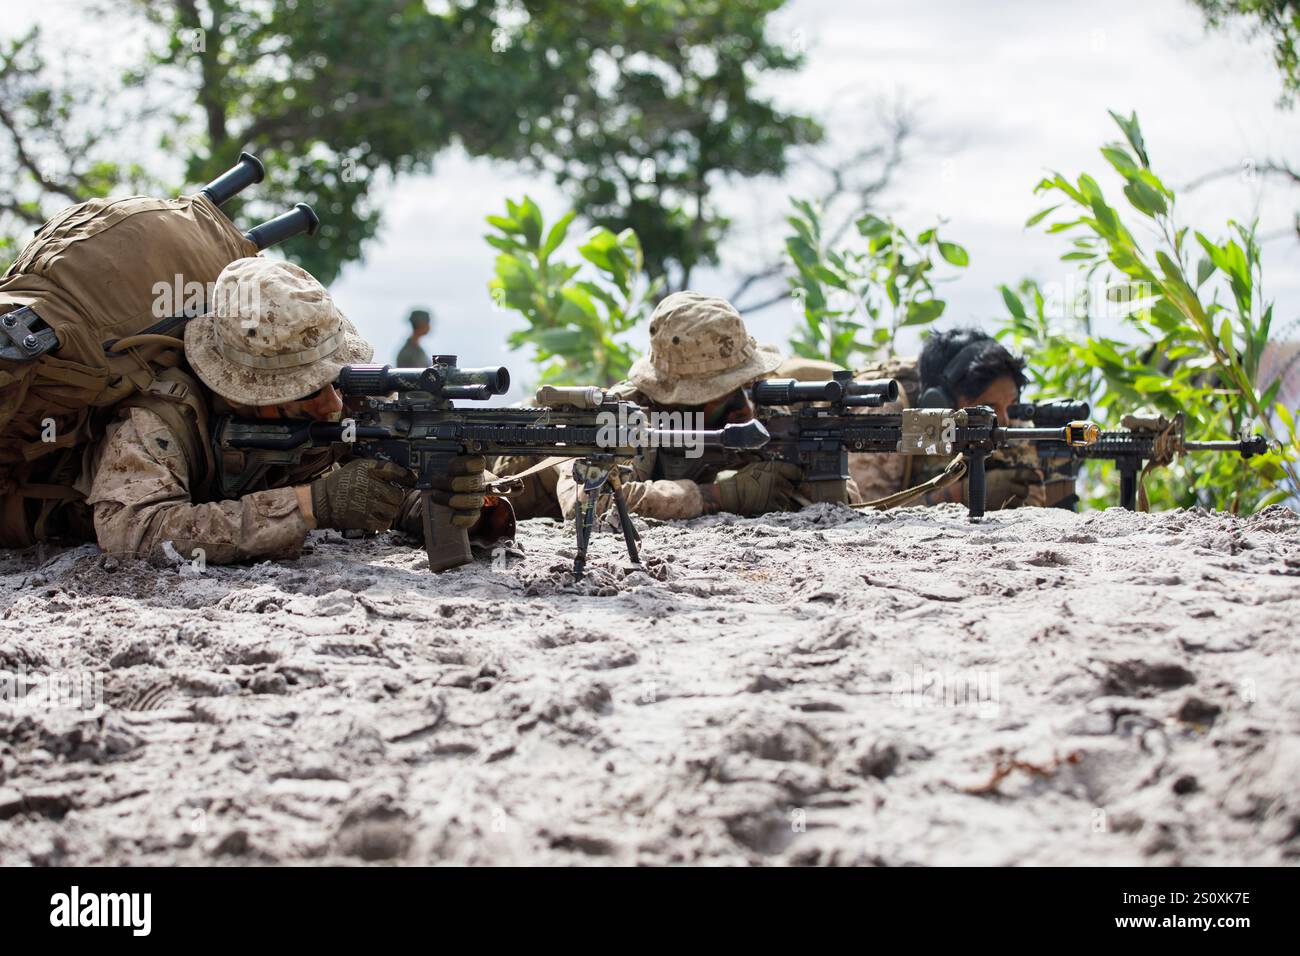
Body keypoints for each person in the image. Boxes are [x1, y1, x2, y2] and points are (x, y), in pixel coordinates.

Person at [82, 258, 493, 565]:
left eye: (334, 380)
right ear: (244, 393)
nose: (332, 405)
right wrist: (309, 505)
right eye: (305, 391)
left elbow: (380, 479)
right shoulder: (160, 419)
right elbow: (133, 533)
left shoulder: (348, 397)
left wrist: (443, 501)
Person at [551, 291, 852, 522]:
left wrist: (809, 473)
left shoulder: (760, 412)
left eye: (745, 384)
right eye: (724, 392)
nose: (744, 407)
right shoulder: (627, 413)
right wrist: (721, 496)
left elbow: (840, 503)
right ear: (677, 399)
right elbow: (586, 504)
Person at [847, 327, 1044, 509]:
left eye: (1011, 404)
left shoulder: (1008, 414)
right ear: (940, 403)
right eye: (988, 407)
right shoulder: (886, 415)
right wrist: (954, 496)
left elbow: (1036, 501)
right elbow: (862, 513)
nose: (1005, 420)